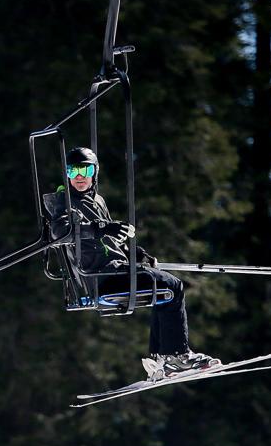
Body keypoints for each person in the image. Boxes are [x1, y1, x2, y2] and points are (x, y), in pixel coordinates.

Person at [61, 146, 219, 380]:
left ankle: (160, 358)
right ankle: (177, 356)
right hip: (103, 278)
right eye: (73, 171)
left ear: (95, 172)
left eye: (85, 169)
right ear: (67, 174)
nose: (80, 176)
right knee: (173, 287)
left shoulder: (95, 201)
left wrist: (138, 254)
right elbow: (61, 231)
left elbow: (110, 242)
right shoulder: (64, 203)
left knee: (161, 288)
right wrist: (102, 227)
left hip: (114, 271)